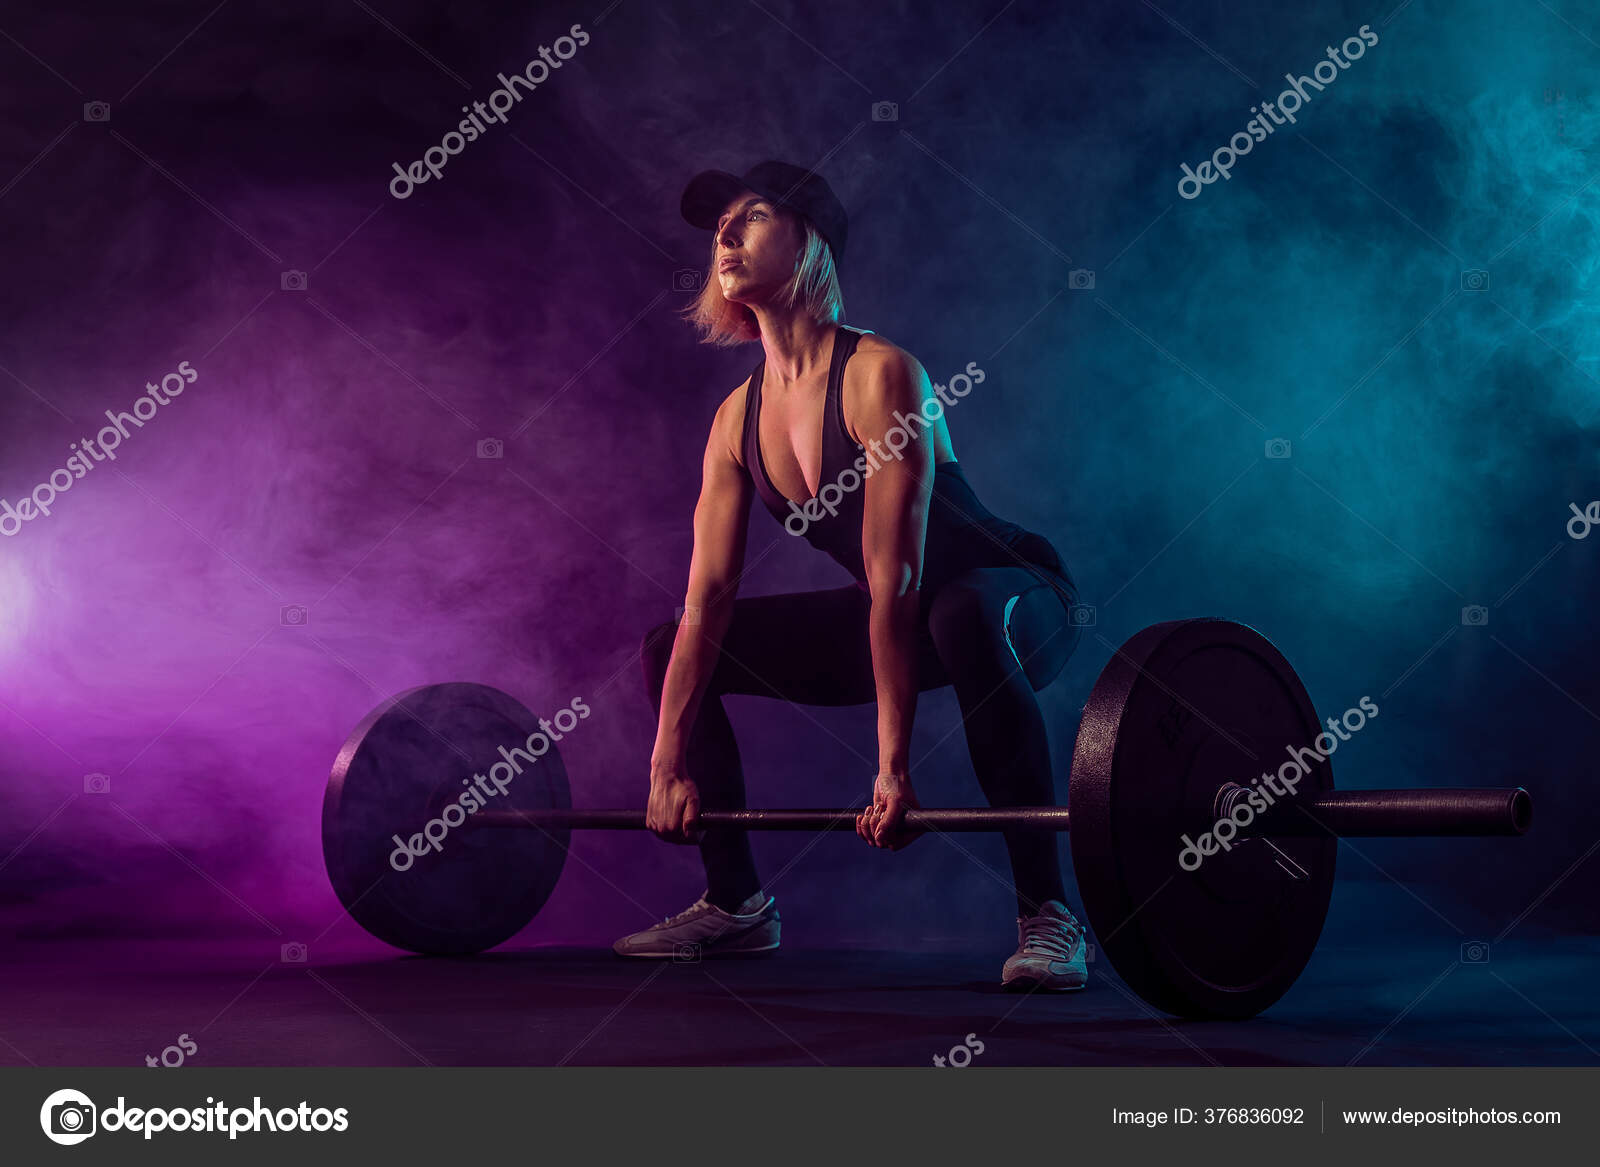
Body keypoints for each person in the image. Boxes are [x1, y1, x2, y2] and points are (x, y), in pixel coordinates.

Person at [612, 160, 1088, 990]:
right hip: (899, 611)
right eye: (719, 223)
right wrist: (663, 766)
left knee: (959, 612)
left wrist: (892, 769)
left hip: (1015, 598)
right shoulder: (736, 421)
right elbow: (708, 603)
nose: (724, 234)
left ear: (812, 242)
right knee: (671, 645)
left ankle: (1048, 913)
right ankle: (736, 905)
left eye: (751, 215)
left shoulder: (881, 374)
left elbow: (898, 577)